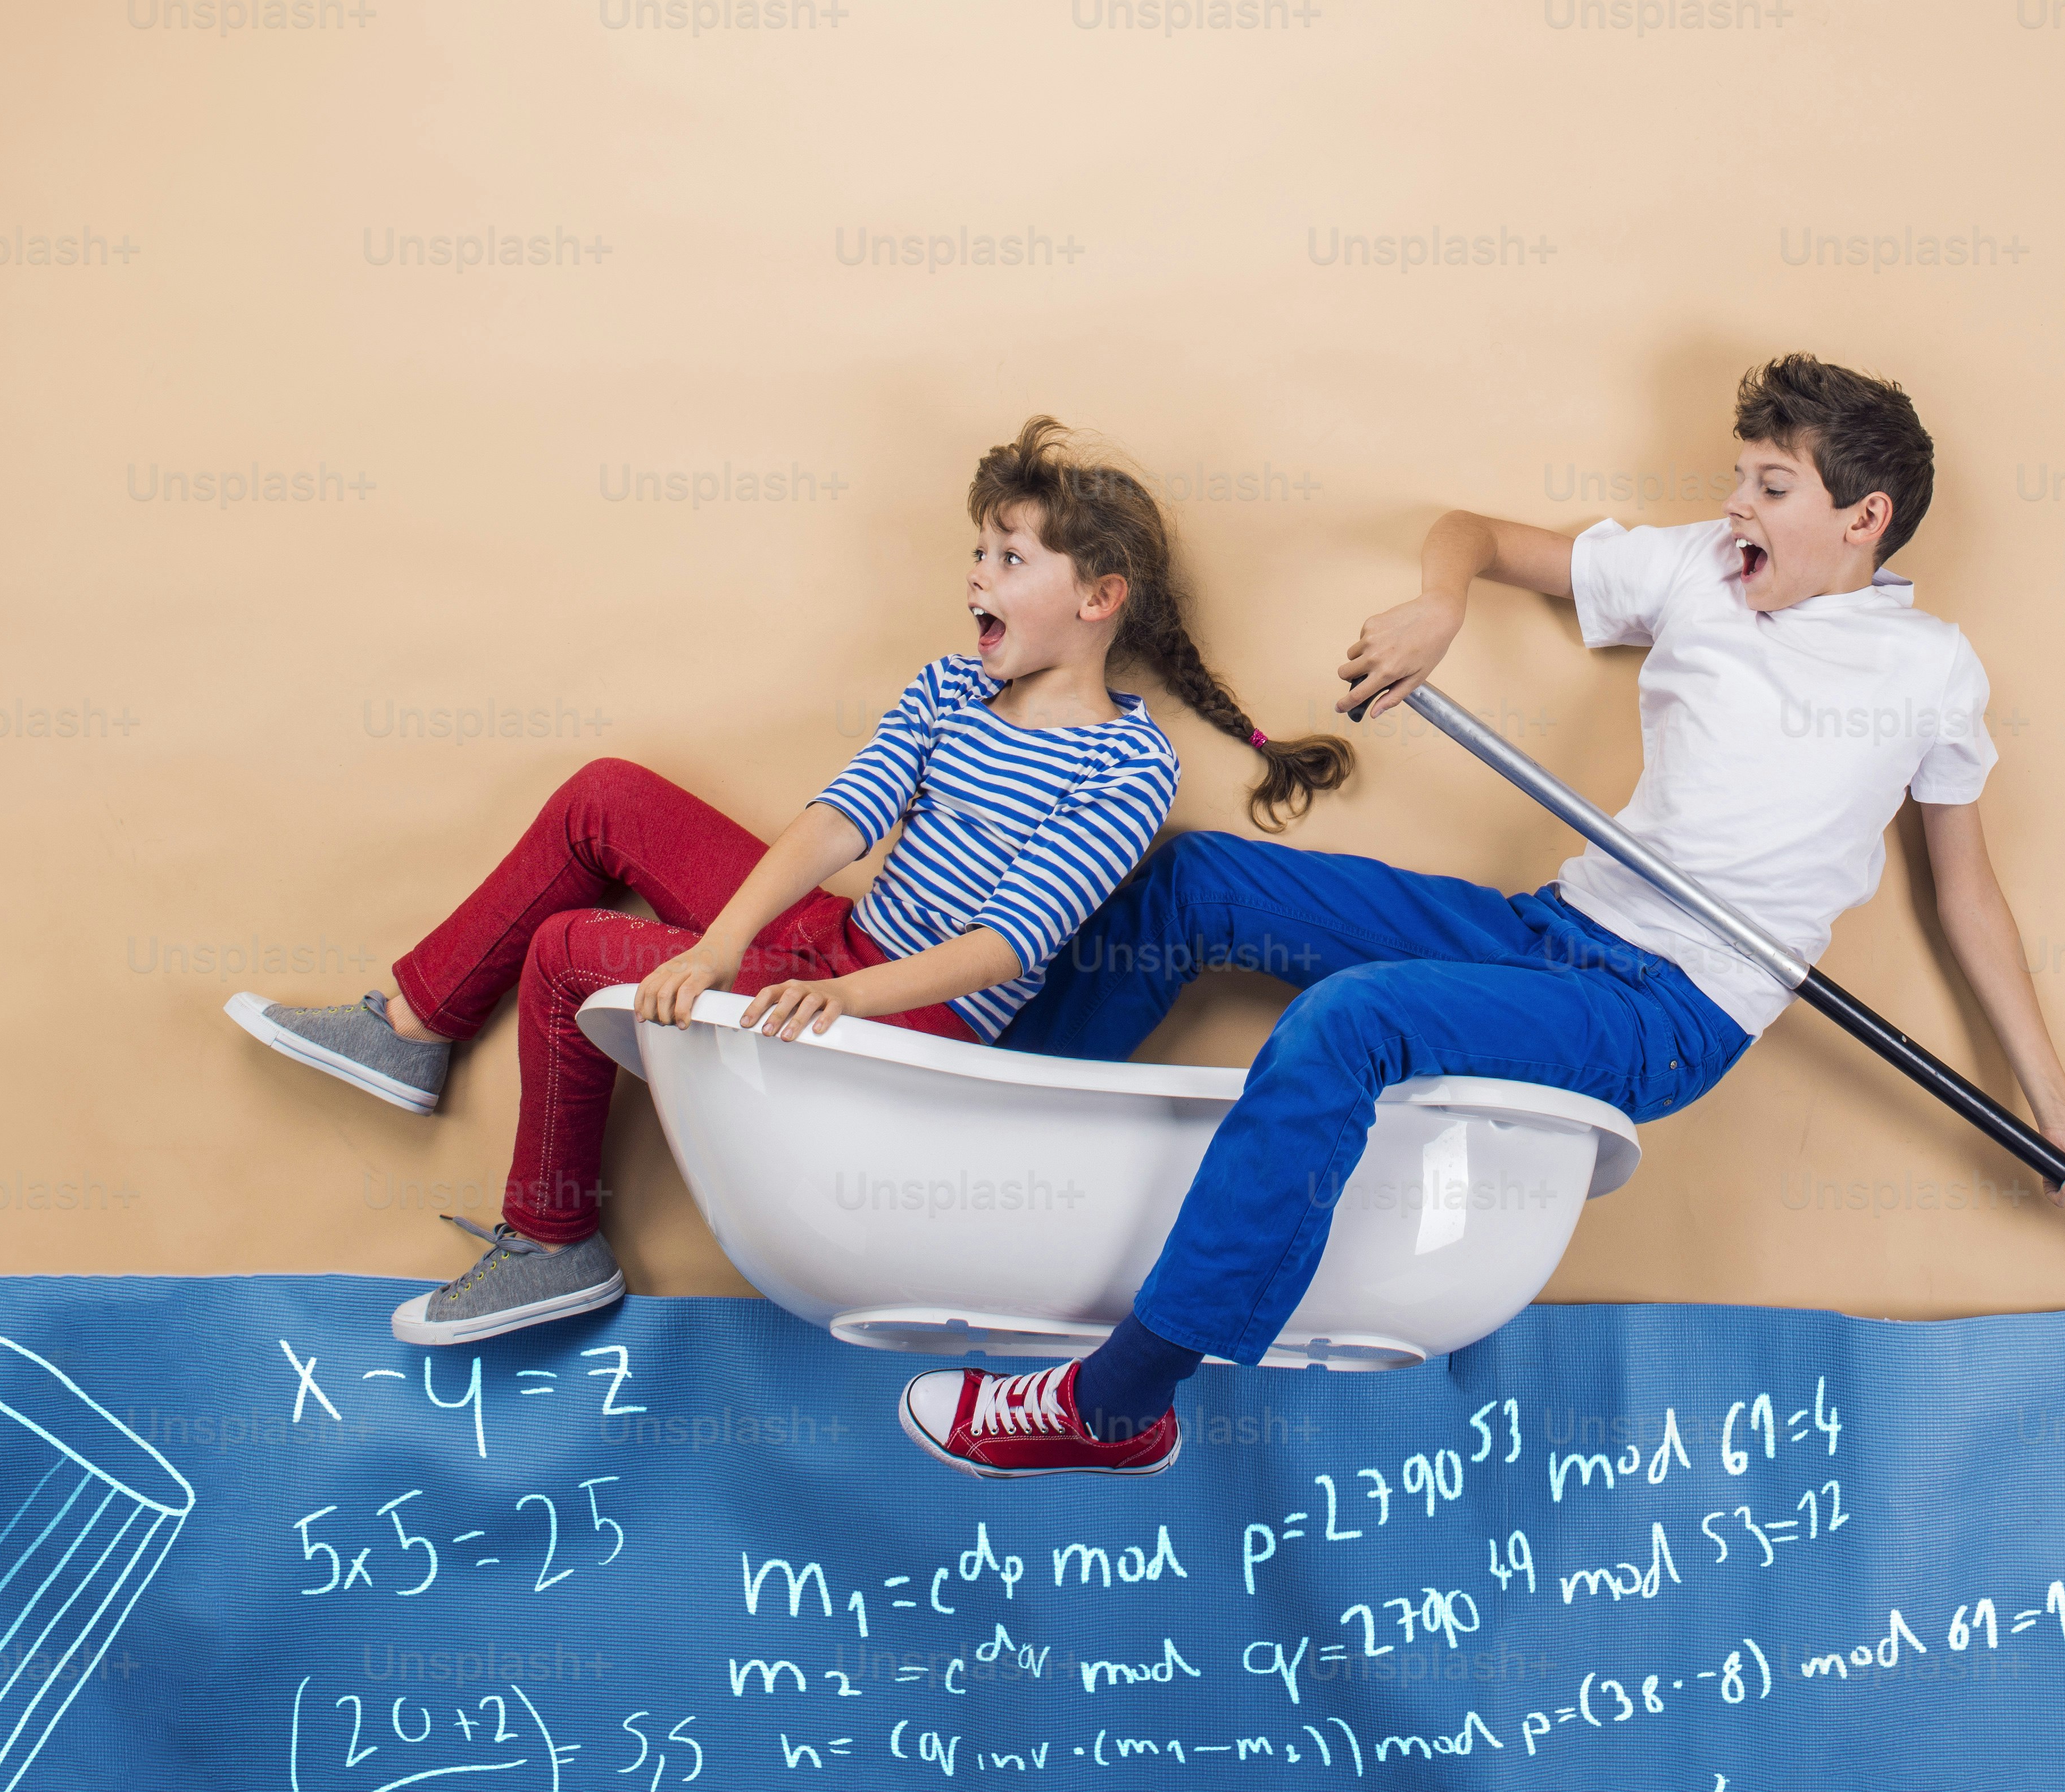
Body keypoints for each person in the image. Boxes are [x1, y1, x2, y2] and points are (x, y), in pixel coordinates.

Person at [899, 354, 2065, 1478]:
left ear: (1862, 521)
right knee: (1200, 881)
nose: (1738, 505)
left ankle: (1119, 1402)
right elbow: (1471, 536)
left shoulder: (1930, 672)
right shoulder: (1698, 567)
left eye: (1772, 486)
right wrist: (1443, 603)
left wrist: (2053, 1105)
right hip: (1549, 930)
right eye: (1739, 478)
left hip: (1665, 1009)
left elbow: (1963, 892)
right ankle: (997, 1142)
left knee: (1353, 1022)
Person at [230, 420, 1348, 1345]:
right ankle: (411, 1025)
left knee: (573, 950)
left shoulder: (1127, 766)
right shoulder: (950, 686)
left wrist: (847, 1001)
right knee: (606, 795)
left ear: (1098, 599)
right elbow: (841, 818)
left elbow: (1017, 940)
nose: (976, 576)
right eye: (977, 554)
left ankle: (553, 1239)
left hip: (925, 1024)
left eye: (1010, 559)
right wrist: (719, 947)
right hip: (840, 942)